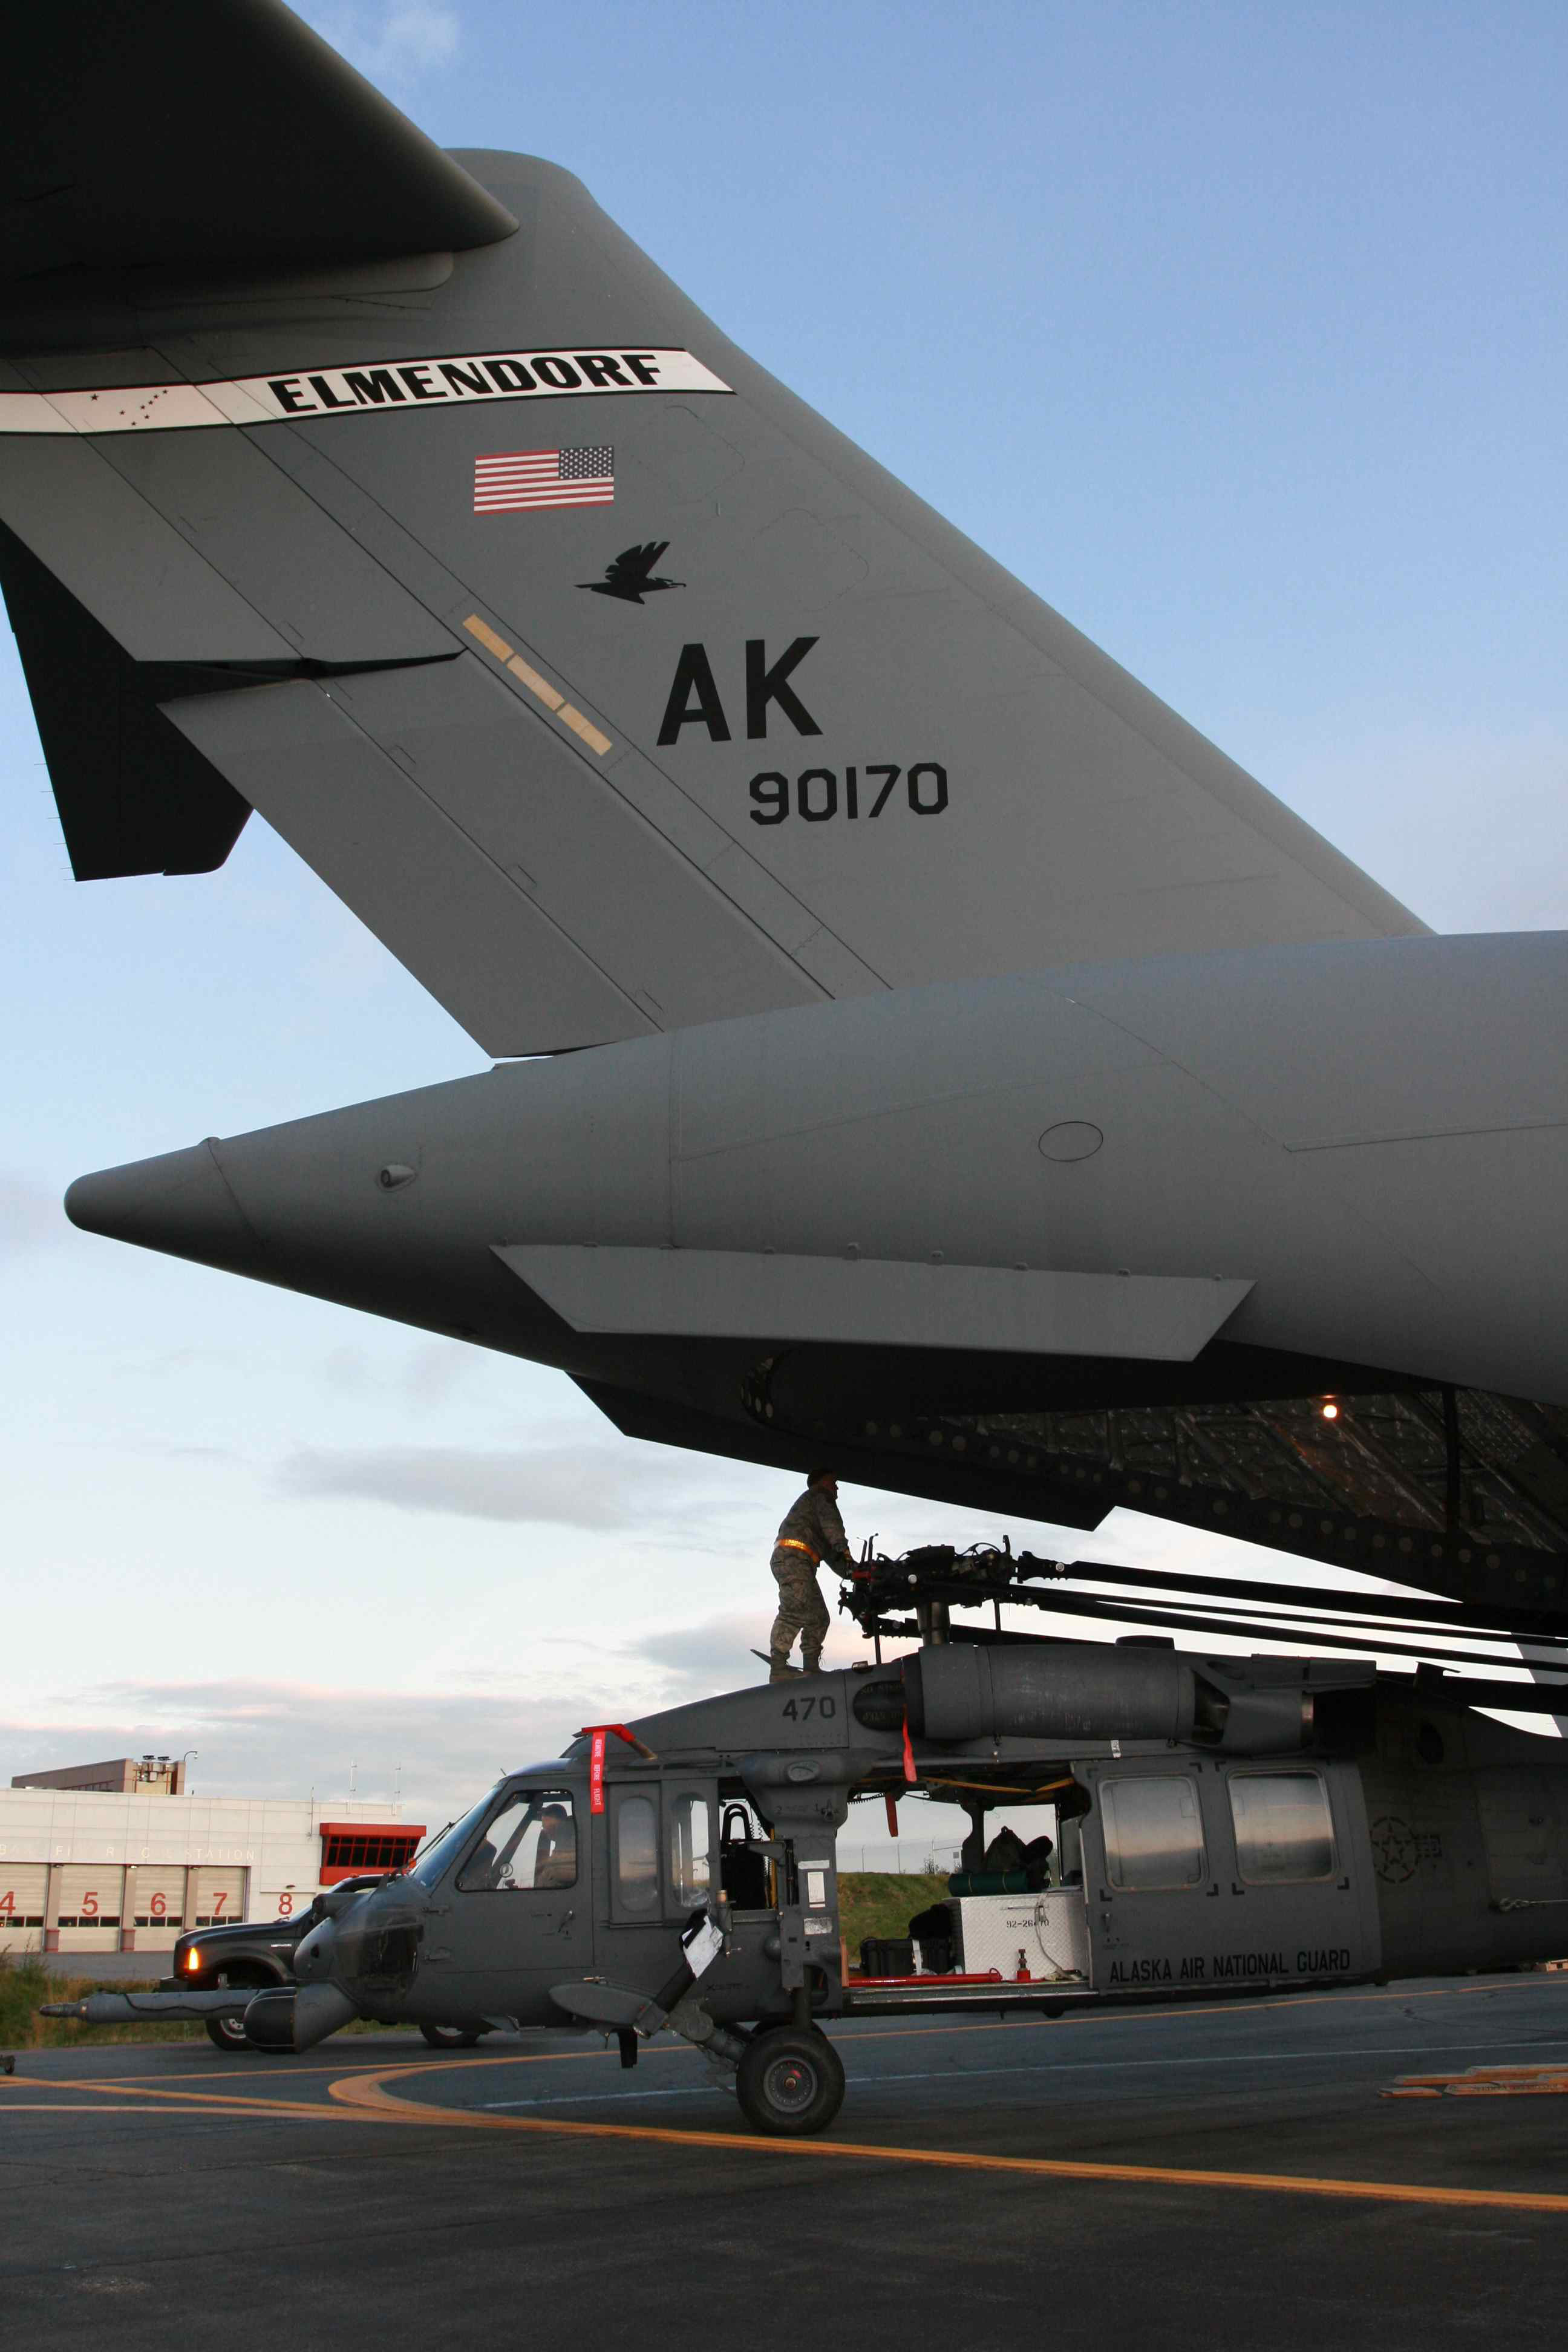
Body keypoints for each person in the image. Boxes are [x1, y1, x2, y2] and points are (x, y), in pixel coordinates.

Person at [767, 1469, 852, 1682]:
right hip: (793, 1559)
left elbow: (831, 1553)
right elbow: (834, 1532)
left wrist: (851, 1571)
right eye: (834, 1481)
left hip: (797, 1561)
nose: (837, 1487)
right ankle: (778, 1667)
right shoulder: (821, 1497)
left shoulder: (811, 1511)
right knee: (794, 1609)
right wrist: (847, 1557)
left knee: (818, 1616)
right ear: (822, 1482)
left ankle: (811, 1667)